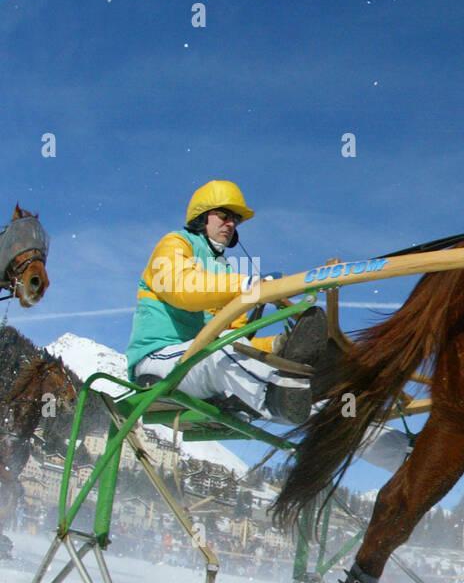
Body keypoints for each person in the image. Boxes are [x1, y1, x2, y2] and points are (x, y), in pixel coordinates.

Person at [127, 180, 325, 424]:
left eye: (235, 220)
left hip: (195, 364)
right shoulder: (176, 243)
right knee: (222, 350)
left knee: (231, 348)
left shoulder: (225, 269)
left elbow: (236, 337)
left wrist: (276, 345)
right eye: (223, 215)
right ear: (202, 217)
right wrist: (247, 286)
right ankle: (280, 398)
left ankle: (346, 425)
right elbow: (183, 288)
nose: (230, 224)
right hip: (159, 361)